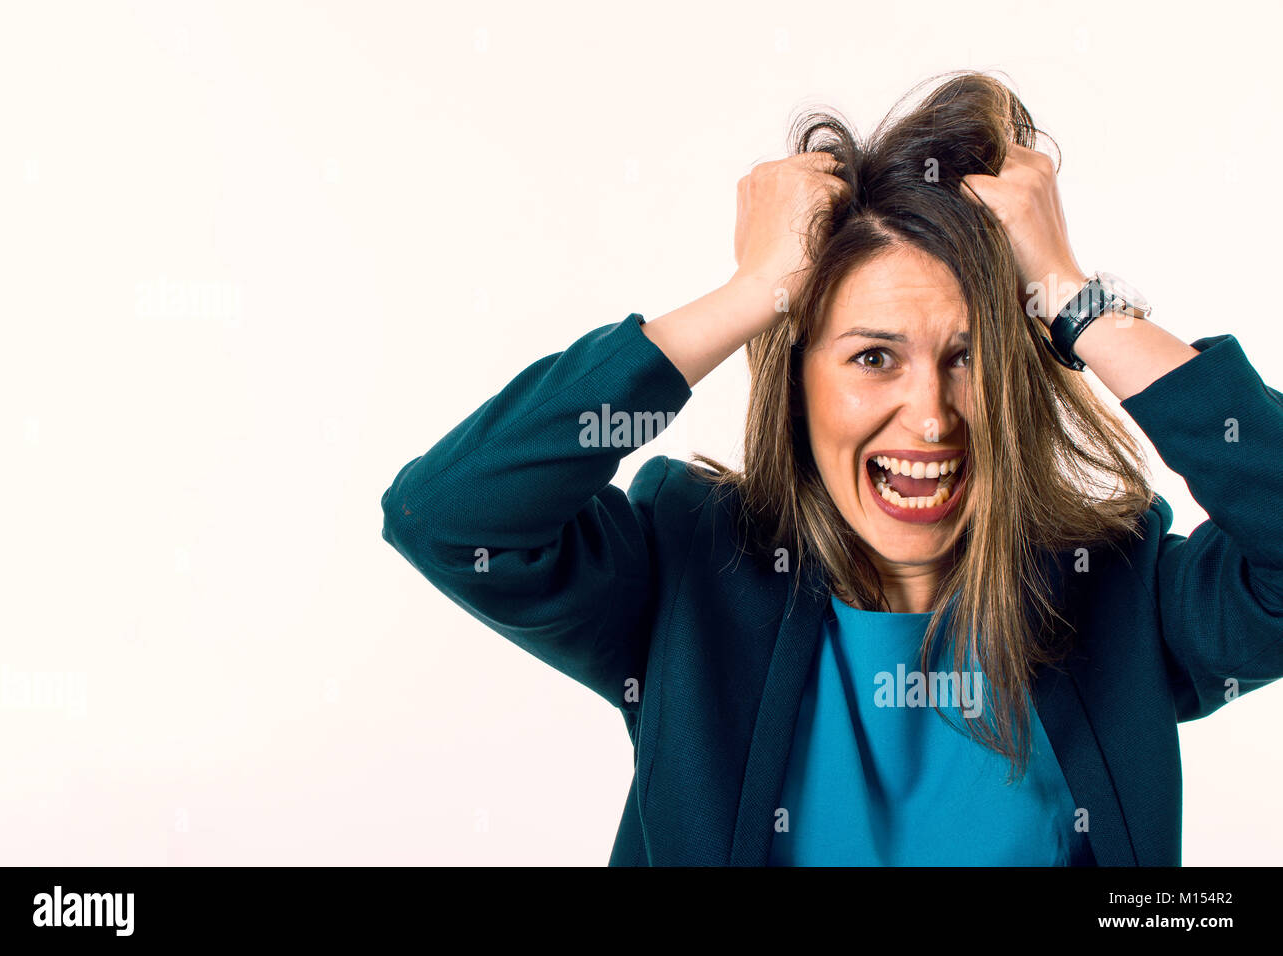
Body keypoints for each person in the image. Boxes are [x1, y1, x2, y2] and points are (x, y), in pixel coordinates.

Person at [380, 70, 1283, 865]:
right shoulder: (687, 571)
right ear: (798, 380)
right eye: (872, 357)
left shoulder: (1118, 591)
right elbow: (451, 517)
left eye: (967, 357)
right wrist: (749, 294)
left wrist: (1071, 296)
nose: (930, 416)